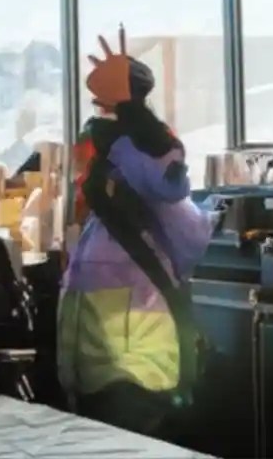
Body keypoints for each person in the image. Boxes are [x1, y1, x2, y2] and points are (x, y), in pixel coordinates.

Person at [58, 26, 216, 441]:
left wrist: (130, 111)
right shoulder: (100, 209)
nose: (84, 153)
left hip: (138, 366)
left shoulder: (142, 171)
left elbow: (168, 176)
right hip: (97, 363)